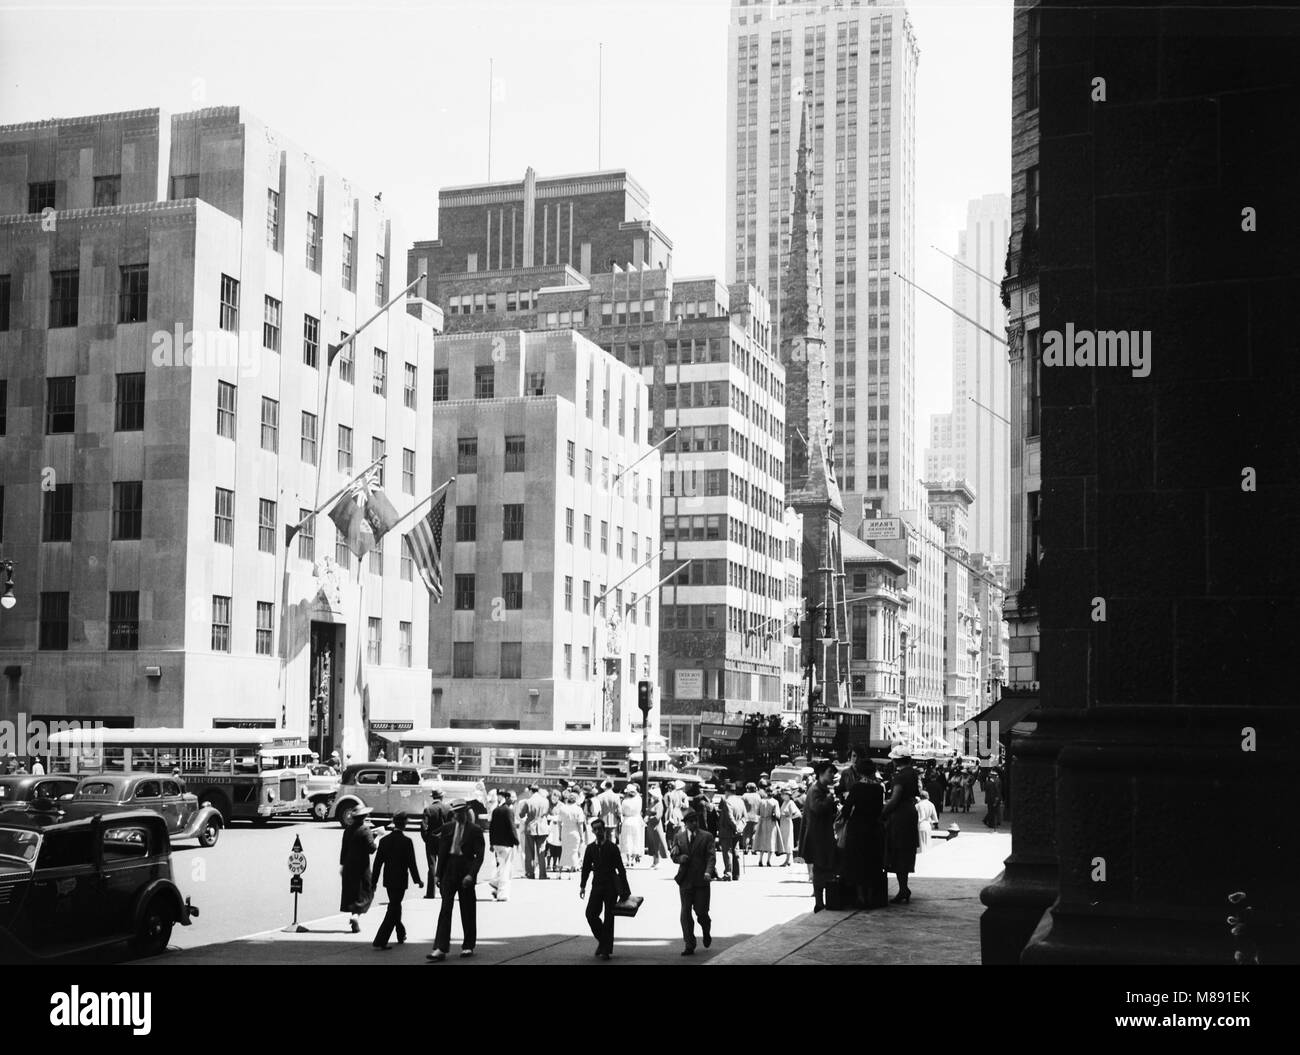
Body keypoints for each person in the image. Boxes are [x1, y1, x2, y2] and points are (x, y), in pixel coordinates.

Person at [427, 799, 484, 961]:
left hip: (465, 870)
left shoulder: (475, 830)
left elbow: (479, 857)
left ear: (466, 812)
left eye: (461, 812)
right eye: (456, 813)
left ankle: (468, 945)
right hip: (449, 871)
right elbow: (442, 851)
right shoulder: (447, 829)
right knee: (445, 909)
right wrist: (438, 874)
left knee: (467, 909)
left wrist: (471, 875)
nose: (458, 815)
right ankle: (440, 948)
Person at [370, 811, 423, 949]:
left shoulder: (384, 841)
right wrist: (417, 880)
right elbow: (412, 863)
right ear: (405, 824)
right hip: (401, 880)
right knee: (393, 908)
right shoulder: (407, 842)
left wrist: (373, 882)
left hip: (388, 879)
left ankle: (400, 933)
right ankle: (380, 940)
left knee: (395, 905)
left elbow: (377, 864)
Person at [579, 817, 629, 960]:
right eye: (595, 829)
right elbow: (586, 868)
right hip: (597, 885)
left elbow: (621, 869)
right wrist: (582, 885)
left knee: (609, 917)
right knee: (590, 914)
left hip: (610, 887)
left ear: (604, 829)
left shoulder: (612, 847)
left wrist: (624, 890)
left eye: (600, 829)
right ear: (592, 831)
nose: (598, 831)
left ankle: (606, 949)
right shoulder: (590, 848)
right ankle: (603, 941)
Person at [670, 810, 715, 955]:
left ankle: (706, 930)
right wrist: (679, 858)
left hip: (702, 880)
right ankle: (689, 944)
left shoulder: (707, 836)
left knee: (701, 912)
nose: (694, 823)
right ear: (685, 823)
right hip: (685, 880)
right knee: (685, 912)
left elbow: (711, 856)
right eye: (690, 821)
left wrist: (708, 872)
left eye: (696, 820)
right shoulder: (679, 837)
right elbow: (674, 855)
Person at [880, 756, 920, 903]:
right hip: (910, 813)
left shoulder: (900, 776)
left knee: (898, 851)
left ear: (896, 761)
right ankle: (904, 888)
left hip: (900, 816)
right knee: (906, 851)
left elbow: (895, 798)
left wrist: (882, 813)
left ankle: (903, 889)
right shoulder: (913, 774)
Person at [799, 761, 838, 912]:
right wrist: (830, 798)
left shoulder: (821, 789)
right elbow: (818, 808)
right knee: (820, 868)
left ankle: (821, 901)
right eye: (830, 772)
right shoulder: (816, 790)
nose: (832, 776)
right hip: (817, 835)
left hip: (822, 833)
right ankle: (819, 902)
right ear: (821, 774)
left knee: (823, 867)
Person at [842, 780, 886, 908]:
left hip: (857, 830)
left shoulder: (856, 787)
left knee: (858, 863)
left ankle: (861, 897)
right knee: (872, 863)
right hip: (873, 829)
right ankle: (871, 896)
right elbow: (880, 808)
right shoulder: (878, 788)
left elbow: (847, 809)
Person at [339, 805, 378, 933]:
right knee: (367, 891)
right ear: (364, 817)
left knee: (353, 892)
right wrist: (378, 839)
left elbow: (344, 849)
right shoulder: (365, 830)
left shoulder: (348, 830)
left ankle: (354, 915)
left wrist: (342, 865)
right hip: (362, 866)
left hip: (349, 865)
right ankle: (356, 915)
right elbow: (371, 848)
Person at [420, 790, 452, 900]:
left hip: (431, 840)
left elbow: (424, 827)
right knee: (444, 865)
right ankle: (444, 891)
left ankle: (430, 893)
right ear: (442, 797)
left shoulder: (428, 809)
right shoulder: (448, 808)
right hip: (444, 840)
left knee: (432, 866)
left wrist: (427, 839)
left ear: (433, 797)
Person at [488, 790, 519, 902]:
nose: (513, 799)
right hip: (506, 844)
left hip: (496, 843)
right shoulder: (509, 811)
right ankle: (502, 894)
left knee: (500, 866)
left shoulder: (496, 811)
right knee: (506, 869)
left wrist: (491, 843)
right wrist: (516, 841)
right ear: (507, 798)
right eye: (511, 797)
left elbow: (491, 828)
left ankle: (495, 881)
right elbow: (512, 828)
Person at [519, 784, 550, 880]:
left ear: (530, 791)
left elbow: (521, 815)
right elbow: (547, 812)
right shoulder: (545, 800)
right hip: (542, 827)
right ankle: (542, 874)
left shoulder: (528, 801)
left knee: (529, 852)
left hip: (530, 827)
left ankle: (530, 873)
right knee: (541, 852)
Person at [555, 790, 588, 873]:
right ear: (576, 800)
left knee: (564, 851)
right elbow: (580, 824)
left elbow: (559, 822)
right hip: (575, 831)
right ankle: (572, 869)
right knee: (574, 851)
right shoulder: (578, 809)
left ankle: (560, 869)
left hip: (565, 831)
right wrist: (581, 836)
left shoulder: (562, 808)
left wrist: (559, 834)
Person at [715, 786, 740, 881]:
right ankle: (736, 874)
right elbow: (744, 817)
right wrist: (739, 827)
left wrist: (735, 826)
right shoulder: (740, 801)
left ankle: (728, 873)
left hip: (727, 830)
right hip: (737, 831)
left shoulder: (727, 801)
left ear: (727, 792)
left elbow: (730, 817)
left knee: (727, 852)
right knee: (735, 851)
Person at [618, 786, 644, 867]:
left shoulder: (625, 801)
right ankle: (633, 859)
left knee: (627, 839)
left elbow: (621, 811)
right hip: (636, 820)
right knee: (635, 839)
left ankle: (628, 859)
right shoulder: (639, 800)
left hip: (627, 820)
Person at [645, 786, 670, 869]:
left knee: (657, 844)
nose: (651, 796)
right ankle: (654, 861)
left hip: (656, 826)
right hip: (650, 826)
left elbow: (658, 816)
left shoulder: (659, 804)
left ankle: (658, 861)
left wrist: (648, 818)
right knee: (652, 844)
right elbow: (648, 812)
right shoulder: (652, 803)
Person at [754, 788, 779, 866]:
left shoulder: (761, 801)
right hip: (771, 822)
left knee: (762, 841)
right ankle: (768, 861)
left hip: (762, 822)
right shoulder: (775, 802)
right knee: (771, 841)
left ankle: (760, 860)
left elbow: (757, 812)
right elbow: (777, 815)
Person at [777, 788, 801, 866]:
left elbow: (798, 814)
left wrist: (790, 817)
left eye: (784, 794)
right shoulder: (784, 802)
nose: (782, 796)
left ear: (788, 795)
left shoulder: (791, 803)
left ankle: (787, 860)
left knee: (788, 840)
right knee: (785, 840)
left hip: (787, 823)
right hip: (783, 823)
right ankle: (788, 860)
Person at [741, 782, 761, 853]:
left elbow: (741, 806)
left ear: (748, 789)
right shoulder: (758, 796)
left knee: (746, 834)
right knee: (754, 833)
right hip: (756, 817)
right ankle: (753, 849)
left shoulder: (744, 796)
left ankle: (746, 849)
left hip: (746, 817)